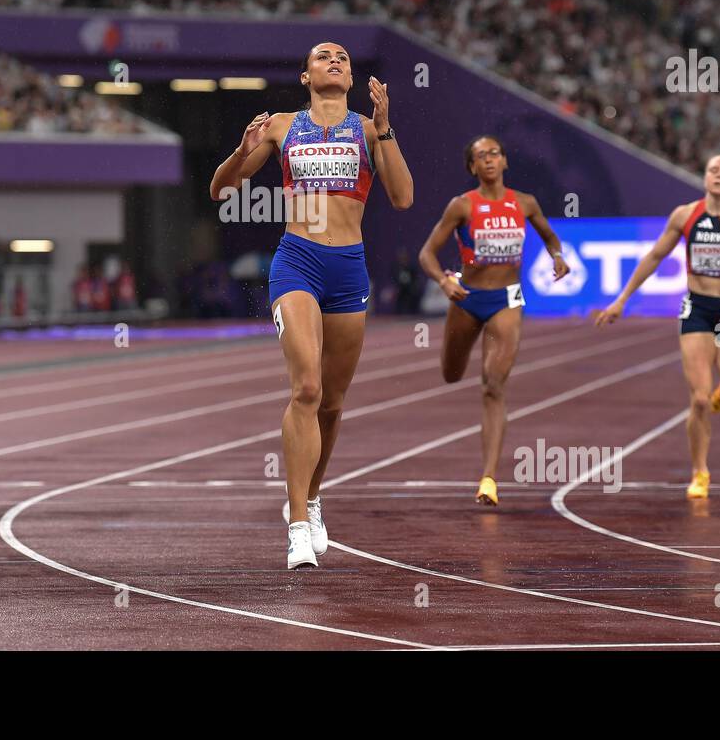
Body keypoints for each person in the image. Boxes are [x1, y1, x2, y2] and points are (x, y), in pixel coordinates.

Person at [209, 42, 414, 569]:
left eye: (343, 57)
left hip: (348, 268)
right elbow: (222, 190)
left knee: (333, 404)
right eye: (323, 56)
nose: (336, 60)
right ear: (306, 76)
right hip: (297, 261)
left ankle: (314, 497)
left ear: (350, 78)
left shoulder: (369, 130)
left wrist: (387, 128)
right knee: (306, 387)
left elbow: (403, 197)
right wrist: (240, 149)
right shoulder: (280, 125)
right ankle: (298, 524)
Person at [595, 152, 720, 499]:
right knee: (699, 399)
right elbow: (655, 256)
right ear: (705, 177)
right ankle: (700, 472)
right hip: (698, 310)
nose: (718, 175)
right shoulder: (685, 215)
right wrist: (622, 299)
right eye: (713, 170)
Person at [417, 135, 569, 507]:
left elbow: (550, 237)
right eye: (480, 156)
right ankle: (487, 473)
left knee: (493, 386)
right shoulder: (462, 206)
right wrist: (443, 281)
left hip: (507, 299)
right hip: (468, 299)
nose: (488, 160)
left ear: (504, 162)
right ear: (472, 167)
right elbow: (427, 254)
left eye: (494, 154)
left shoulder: (525, 203)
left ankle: (488, 478)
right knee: (451, 373)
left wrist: (558, 256)